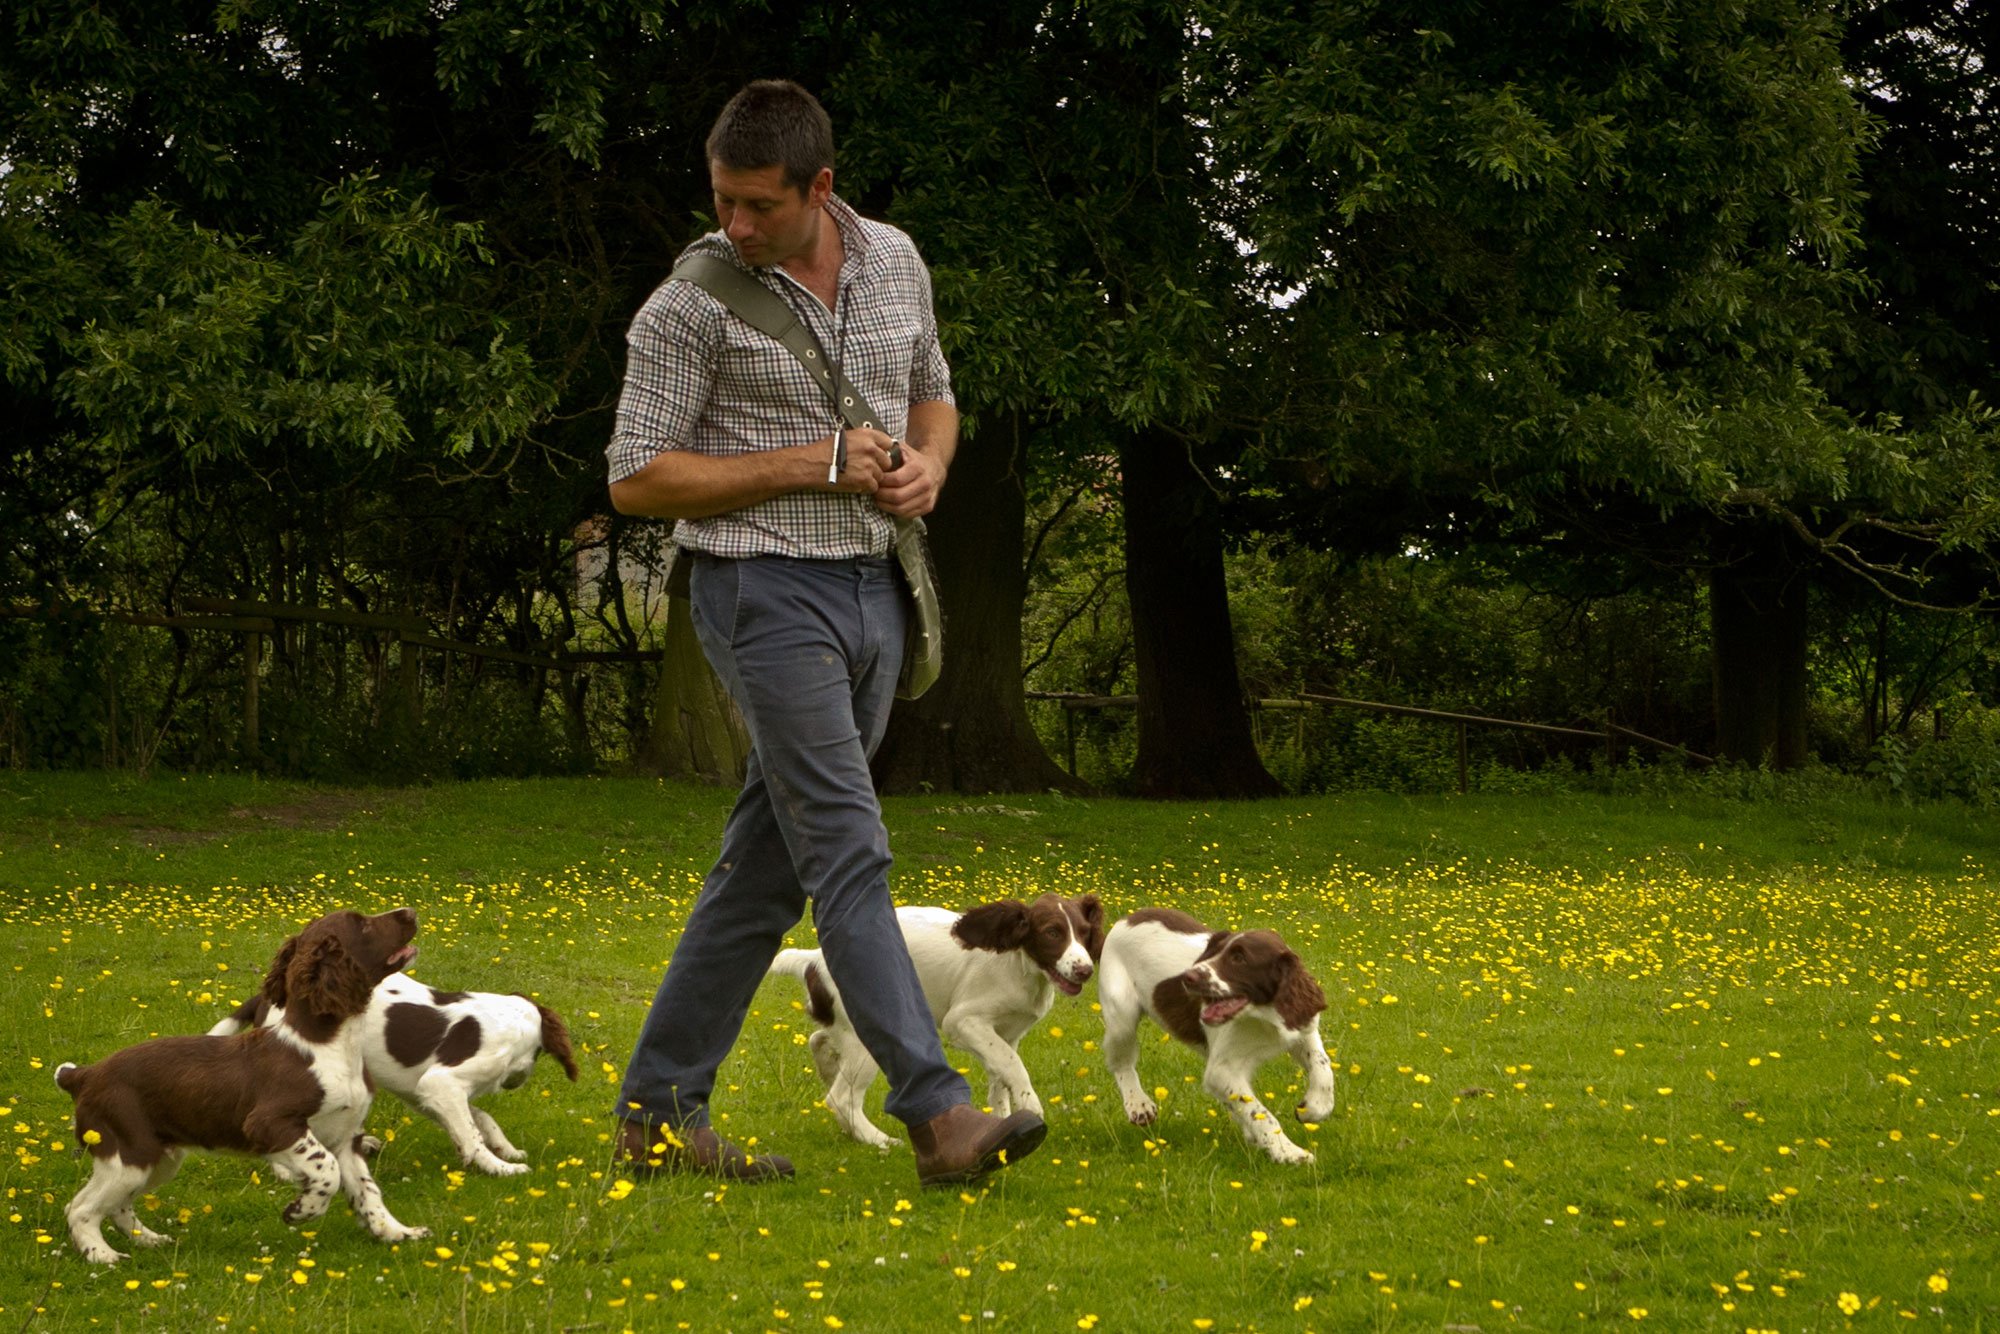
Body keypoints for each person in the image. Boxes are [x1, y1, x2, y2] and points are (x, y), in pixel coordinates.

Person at [602, 79, 1046, 1186]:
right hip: (759, 594)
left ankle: (655, 1114)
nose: (736, 226)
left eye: (758, 205)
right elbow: (634, 478)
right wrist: (812, 461)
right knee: (849, 846)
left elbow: (931, 393)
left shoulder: (893, 259)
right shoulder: (686, 305)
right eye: (723, 202)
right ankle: (937, 1110)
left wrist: (930, 466)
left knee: (763, 870)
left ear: (821, 188)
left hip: (875, 590)